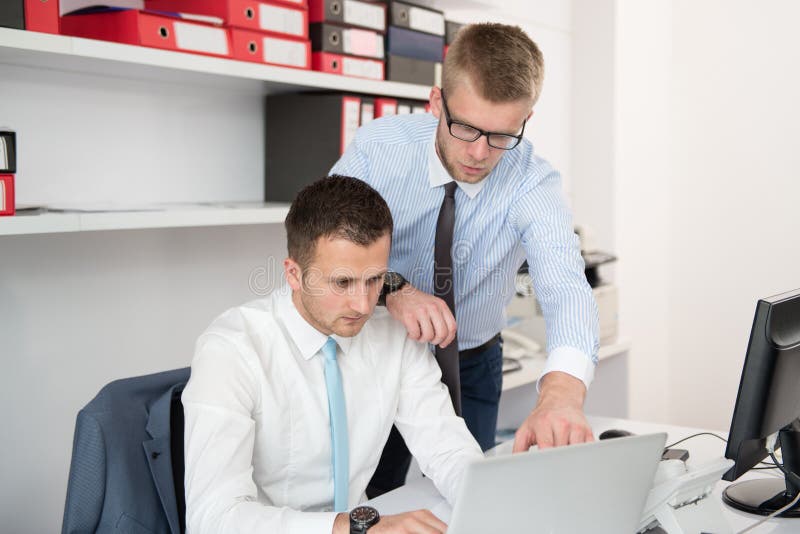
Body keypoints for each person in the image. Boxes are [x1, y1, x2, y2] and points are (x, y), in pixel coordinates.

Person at [330, 22, 600, 496]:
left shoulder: (532, 181)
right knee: (374, 496)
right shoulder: (379, 149)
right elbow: (326, 243)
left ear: (525, 119)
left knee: (471, 493)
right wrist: (392, 288)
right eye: (466, 128)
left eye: (501, 135)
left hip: (472, 361)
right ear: (436, 102)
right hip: (379, 353)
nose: (479, 153)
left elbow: (566, 286)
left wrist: (560, 392)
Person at [182, 175, 483, 534]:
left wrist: (488, 505)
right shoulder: (231, 349)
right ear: (294, 275)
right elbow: (213, 518)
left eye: (375, 280)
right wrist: (353, 528)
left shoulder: (392, 336)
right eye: (342, 282)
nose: (363, 304)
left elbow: (447, 448)